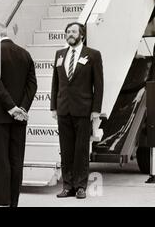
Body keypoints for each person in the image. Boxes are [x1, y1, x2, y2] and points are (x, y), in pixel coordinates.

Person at [0, 21, 37, 207]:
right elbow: (32, 85)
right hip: (20, 118)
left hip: (0, 115)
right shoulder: (25, 54)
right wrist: (21, 109)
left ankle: (1, 202)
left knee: (0, 162)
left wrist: (10, 107)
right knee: (16, 160)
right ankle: (13, 202)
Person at [51, 22, 103, 199]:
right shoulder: (59, 54)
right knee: (66, 150)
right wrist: (53, 107)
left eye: (73, 31)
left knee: (81, 150)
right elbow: (55, 83)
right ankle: (67, 186)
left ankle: (80, 186)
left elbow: (99, 85)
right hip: (63, 108)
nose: (69, 34)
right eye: (67, 32)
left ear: (82, 35)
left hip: (83, 109)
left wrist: (96, 109)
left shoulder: (93, 55)